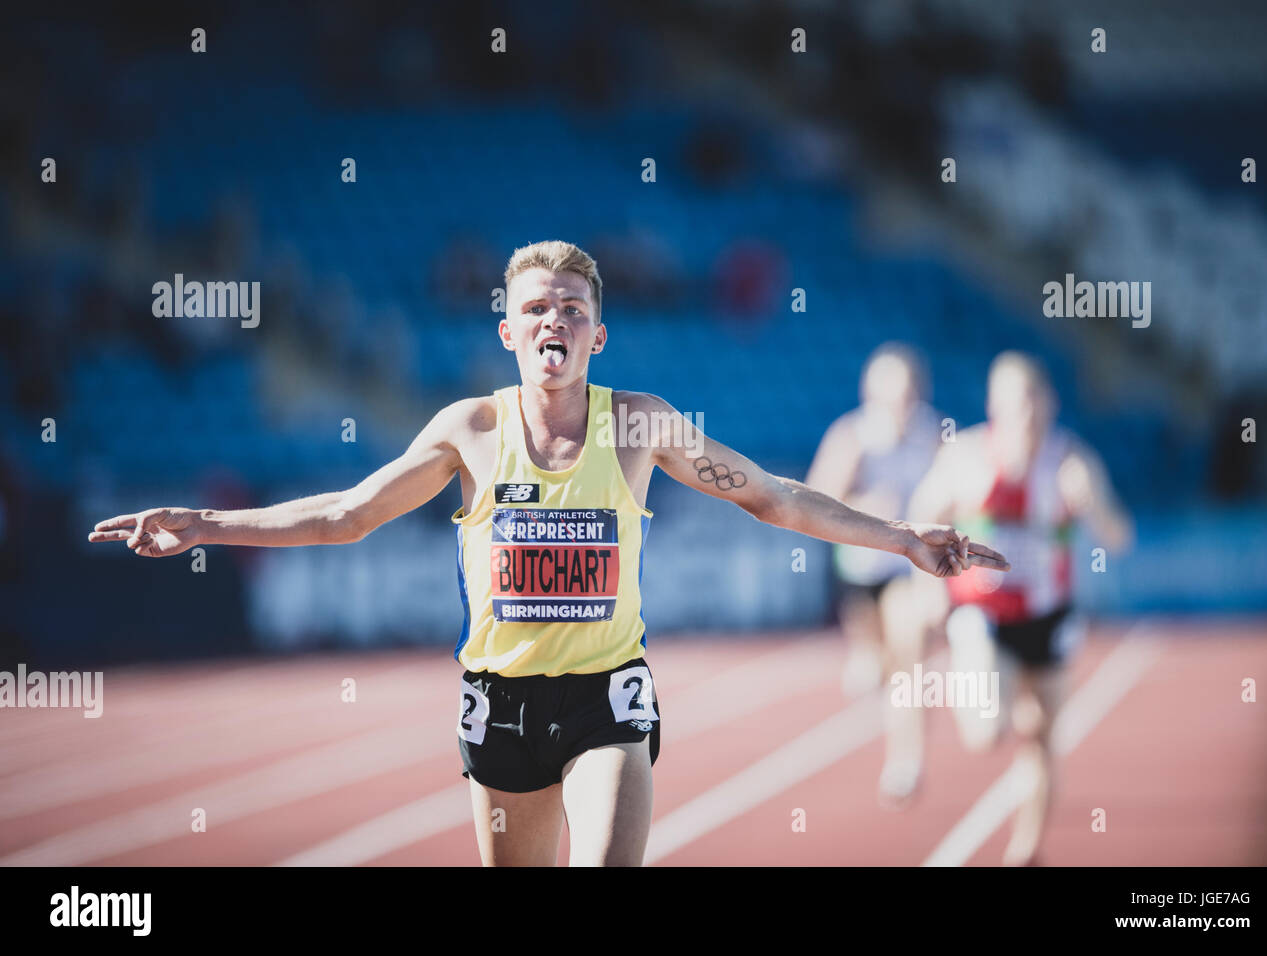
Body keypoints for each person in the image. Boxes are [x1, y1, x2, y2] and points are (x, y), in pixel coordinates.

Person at [89, 240, 1008, 867]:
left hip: (609, 695)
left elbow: (770, 495)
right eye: (536, 307)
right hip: (501, 700)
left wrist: (902, 540)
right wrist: (208, 525)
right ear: (509, 331)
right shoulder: (472, 430)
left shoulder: (640, 423)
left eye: (571, 307)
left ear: (597, 335)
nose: (553, 319)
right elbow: (347, 515)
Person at [906, 351, 1132, 864]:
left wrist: (1093, 507)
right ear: (993, 405)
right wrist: (926, 590)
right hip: (982, 615)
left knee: (1042, 739)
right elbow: (920, 519)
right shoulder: (964, 456)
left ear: (1049, 404)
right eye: (1012, 402)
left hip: (1049, 616)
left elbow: (1120, 537)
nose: (1024, 413)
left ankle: (1027, 849)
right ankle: (968, 669)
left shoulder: (1072, 460)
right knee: (987, 732)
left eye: (1032, 400)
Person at [807, 344, 941, 701]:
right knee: (872, 670)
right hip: (861, 565)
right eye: (894, 398)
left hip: (909, 565)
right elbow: (815, 498)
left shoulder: (934, 434)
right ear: (872, 394)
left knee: (909, 655)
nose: (903, 406)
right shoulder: (853, 436)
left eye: (910, 395)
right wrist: (862, 505)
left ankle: (906, 754)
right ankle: (872, 660)